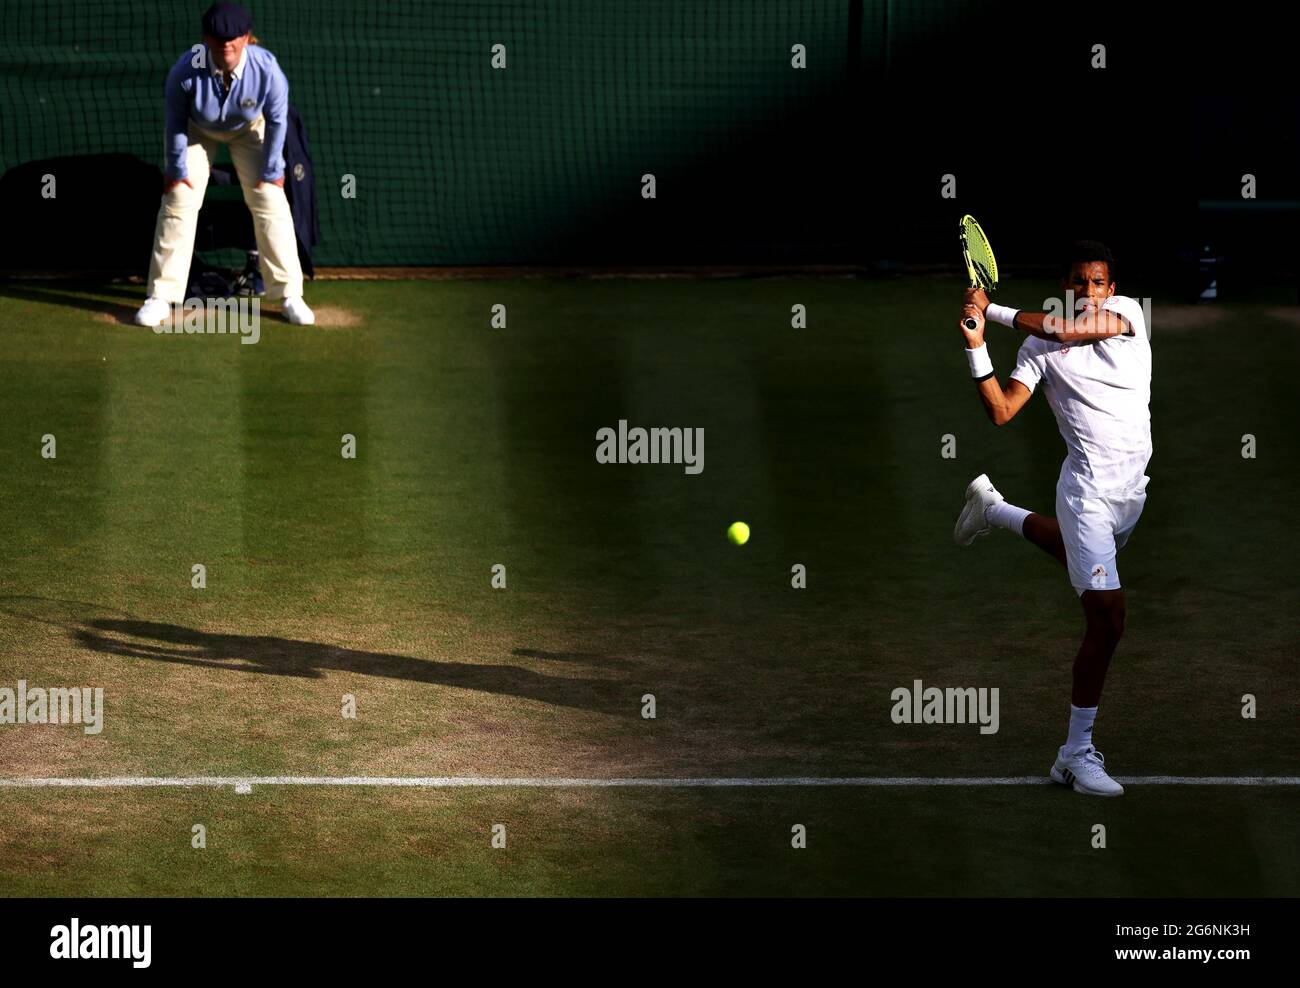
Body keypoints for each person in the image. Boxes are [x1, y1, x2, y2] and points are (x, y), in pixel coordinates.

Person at [954, 241, 1152, 797]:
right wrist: (977, 347)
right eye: (1078, 283)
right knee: (1107, 619)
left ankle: (993, 509)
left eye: (1097, 283)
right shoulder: (1041, 346)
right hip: (1085, 494)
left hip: (1131, 494)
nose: (1088, 292)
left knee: (1075, 556)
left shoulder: (1130, 314)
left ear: (1111, 290)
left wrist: (989, 309)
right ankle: (1074, 755)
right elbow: (1001, 410)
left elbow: (1067, 331)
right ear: (1064, 289)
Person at [134, 2, 314, 326]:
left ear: (246, 37)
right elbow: (175, 123)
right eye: (218, 37)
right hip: (197, 130)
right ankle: (160, 296)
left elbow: (276, 122)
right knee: (178, 199)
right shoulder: (185, 70)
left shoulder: (268, 69)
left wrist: (273, 170)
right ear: (206, 38)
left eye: (233, 36)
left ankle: (289, 294)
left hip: (249, 130)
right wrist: (176, 170)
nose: (226, 43)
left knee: (270, 198)